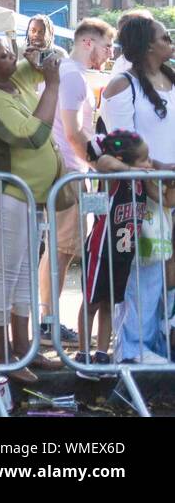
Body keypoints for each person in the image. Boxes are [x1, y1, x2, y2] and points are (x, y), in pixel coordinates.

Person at [0, 30, 63, 383]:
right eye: (3, 55)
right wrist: (51, 85)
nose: (12, 57)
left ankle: (23, 349)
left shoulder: (11, 80)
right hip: (5, 193)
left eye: (10, 51)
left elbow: (47, 56)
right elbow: (31, 135)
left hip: (27, 194)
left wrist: (37, 59)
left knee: (24, 273)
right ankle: (2, 355)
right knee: (5, 271)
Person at [36, 18, 115, 349]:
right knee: (62, 249)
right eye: (107, 46)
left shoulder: (68, 75)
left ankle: (47, 320)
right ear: (88, 42)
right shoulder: (71, 77)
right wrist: (100, 163)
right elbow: (72, 130)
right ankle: (48, 322)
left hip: (71, 168)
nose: (109, 54)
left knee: (60, 248)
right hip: (69, 169)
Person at [101, 13, 175, 362]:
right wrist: (158, 171)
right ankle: (132, 348)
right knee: (142, 271)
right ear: (147, 45)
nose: (170, 40)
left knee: (169, 272)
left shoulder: (172, 80)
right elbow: (120, 145)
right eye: (164, 36)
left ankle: (160, 342)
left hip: (170, 191)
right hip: (142, 191)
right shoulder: (122, 85)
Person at [78, 130, 151, 366]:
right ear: (125, 162)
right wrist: (131, 169)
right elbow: (102, 161)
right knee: (91, 303)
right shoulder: (114, 177)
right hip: (101, 251)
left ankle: (101, 354)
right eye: (144, 160)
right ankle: (82, 353)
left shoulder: (142, 181)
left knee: (109, 305)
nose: (149, 164)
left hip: (123, 254)